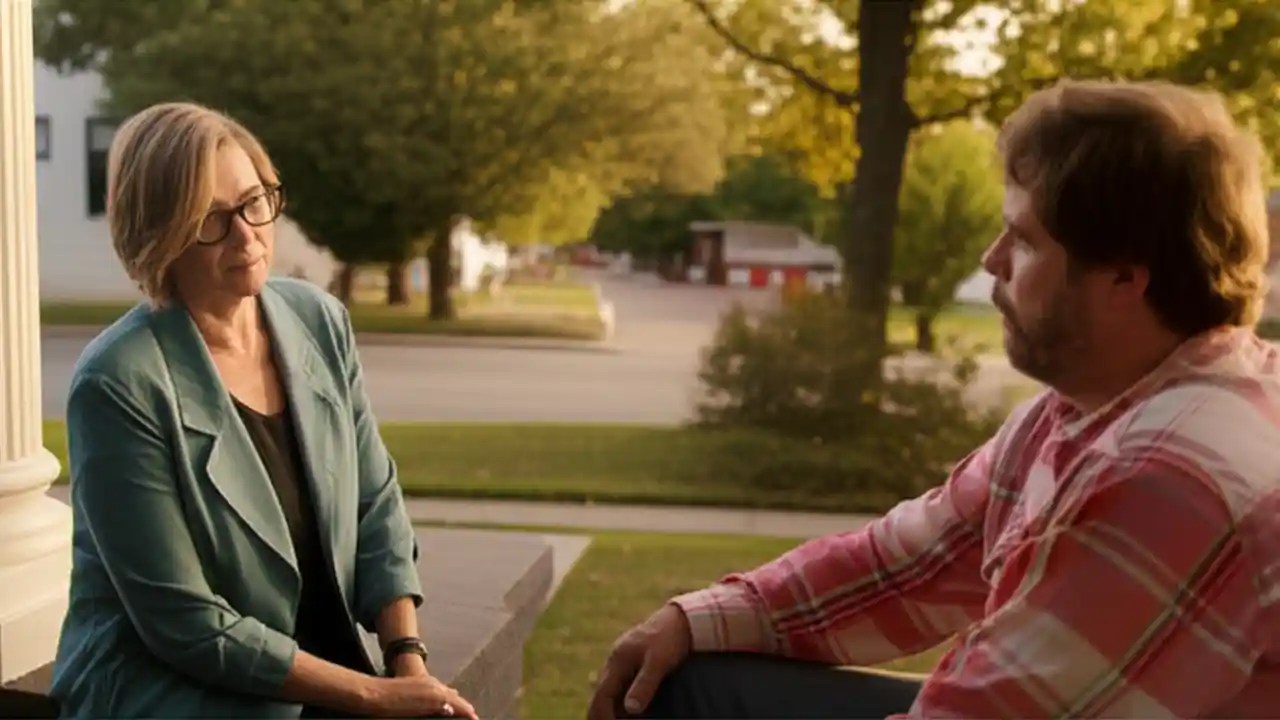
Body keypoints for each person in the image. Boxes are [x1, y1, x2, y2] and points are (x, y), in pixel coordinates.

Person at [589, 79, 1280, 719]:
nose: (991, 259)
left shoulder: (1165, 481)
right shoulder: (1097, 405)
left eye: (1025, 239)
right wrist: (694, 619)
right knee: (683, 679)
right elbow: (908, 565)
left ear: (1125, 278)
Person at [49, 102, 478, 719]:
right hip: (171, 690)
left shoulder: (317, 319)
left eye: (254, 202)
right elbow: (184, 624)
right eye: (212, 220)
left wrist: (407, 662)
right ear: (160, 232)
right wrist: (375, 696)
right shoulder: (118, 382)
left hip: (323, 665)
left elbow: (376, 504)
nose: (248, 234)